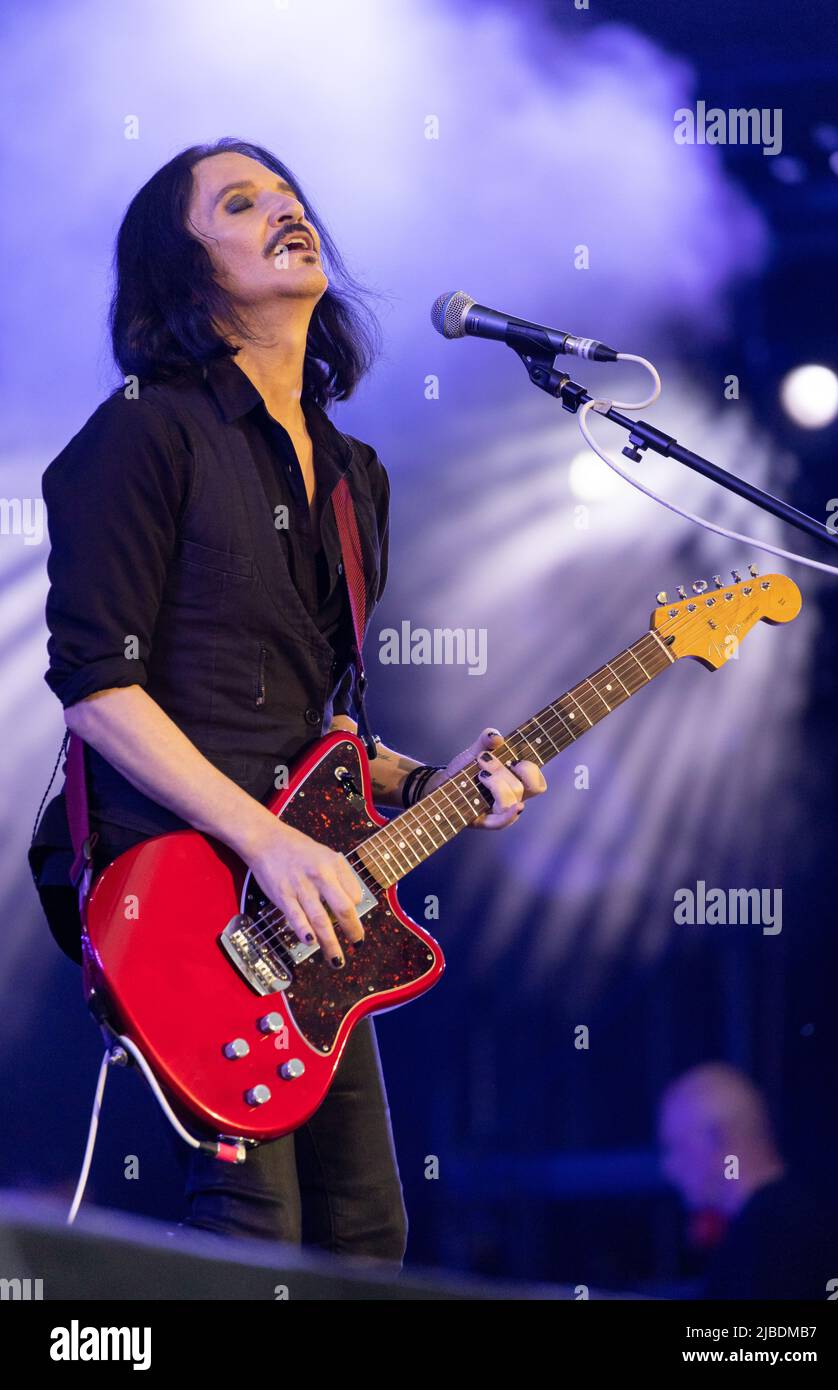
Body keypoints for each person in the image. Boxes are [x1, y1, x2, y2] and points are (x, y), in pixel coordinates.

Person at [29, 138, 547, 1265]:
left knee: (365, 1234)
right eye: (240, 202)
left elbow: (334, 730)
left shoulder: (355, 475)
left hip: (300, 898)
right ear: (183, 265)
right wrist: (263, 838)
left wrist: (439, 783)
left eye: (291, 196)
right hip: (180, 884)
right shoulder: (140, 434)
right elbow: (95, 690)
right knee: (246, 1235)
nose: (285, 211)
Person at [658, 1062, 838, 1299]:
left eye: (678, 1147)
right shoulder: (793, 1218)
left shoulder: (770, 1241)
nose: (670, 1168)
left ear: (718, 1137)